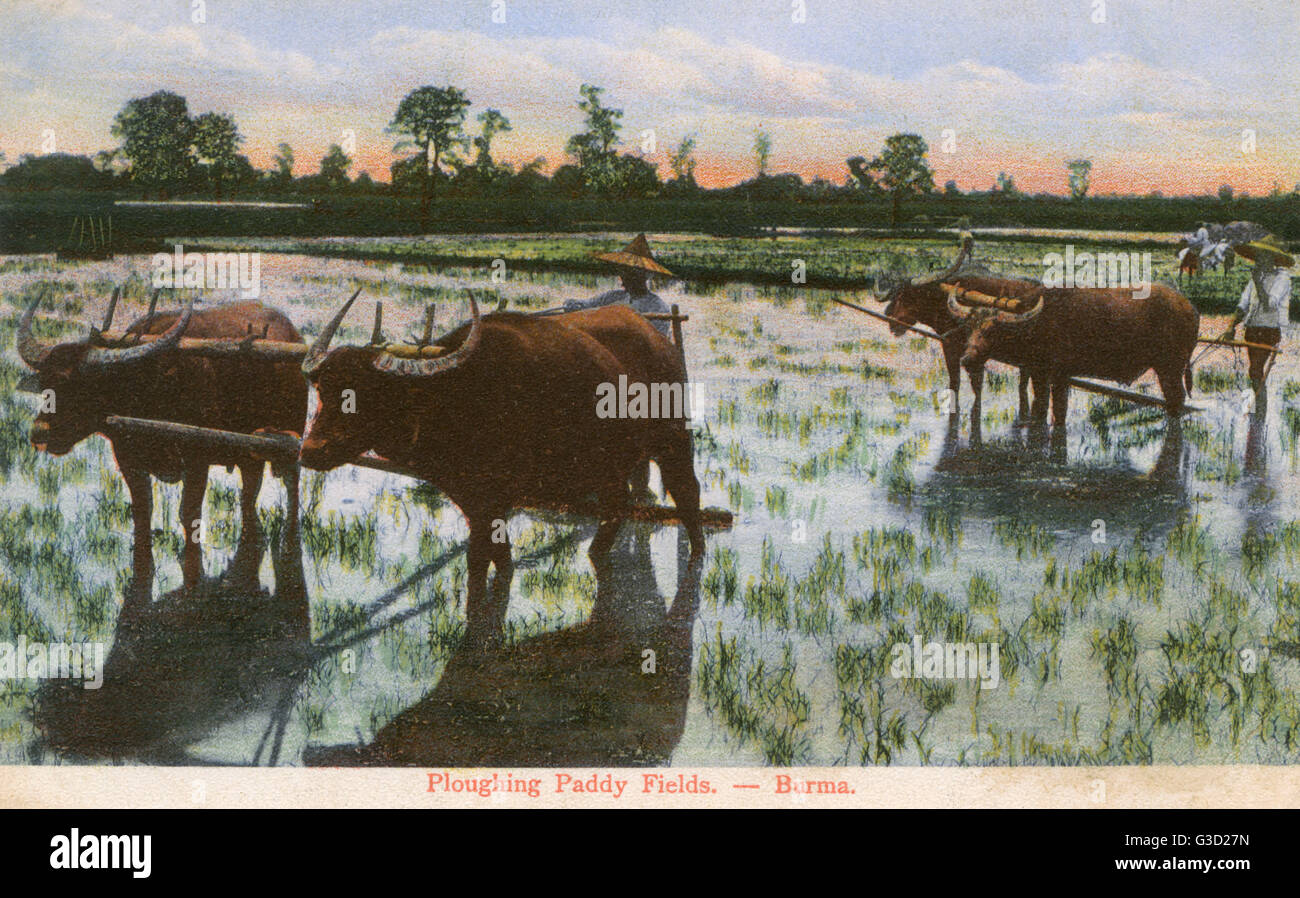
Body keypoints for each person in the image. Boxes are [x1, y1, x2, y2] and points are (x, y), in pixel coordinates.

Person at [564, 234, 675, 337]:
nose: (624, 279)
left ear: (644, 277)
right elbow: (588, 305)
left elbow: (655, 342)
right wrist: (574, 305)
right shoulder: (614, 297)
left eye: (632, 275)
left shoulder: (659, 308)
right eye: (623, 273)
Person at [1222, 235, 1293, 396]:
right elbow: (1242, 305)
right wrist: (1230, 327)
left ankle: (1259, 409)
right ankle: (1258, 408)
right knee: (1254, 371)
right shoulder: (1253, 280)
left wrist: (1258, 283)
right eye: (1258, 257)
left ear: (1272, 259)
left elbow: (1270, 304)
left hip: (1269, 331)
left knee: (1255, 370)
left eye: (1264, 256)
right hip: (1252, 331)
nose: (1259, 260)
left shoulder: (1282, 279)